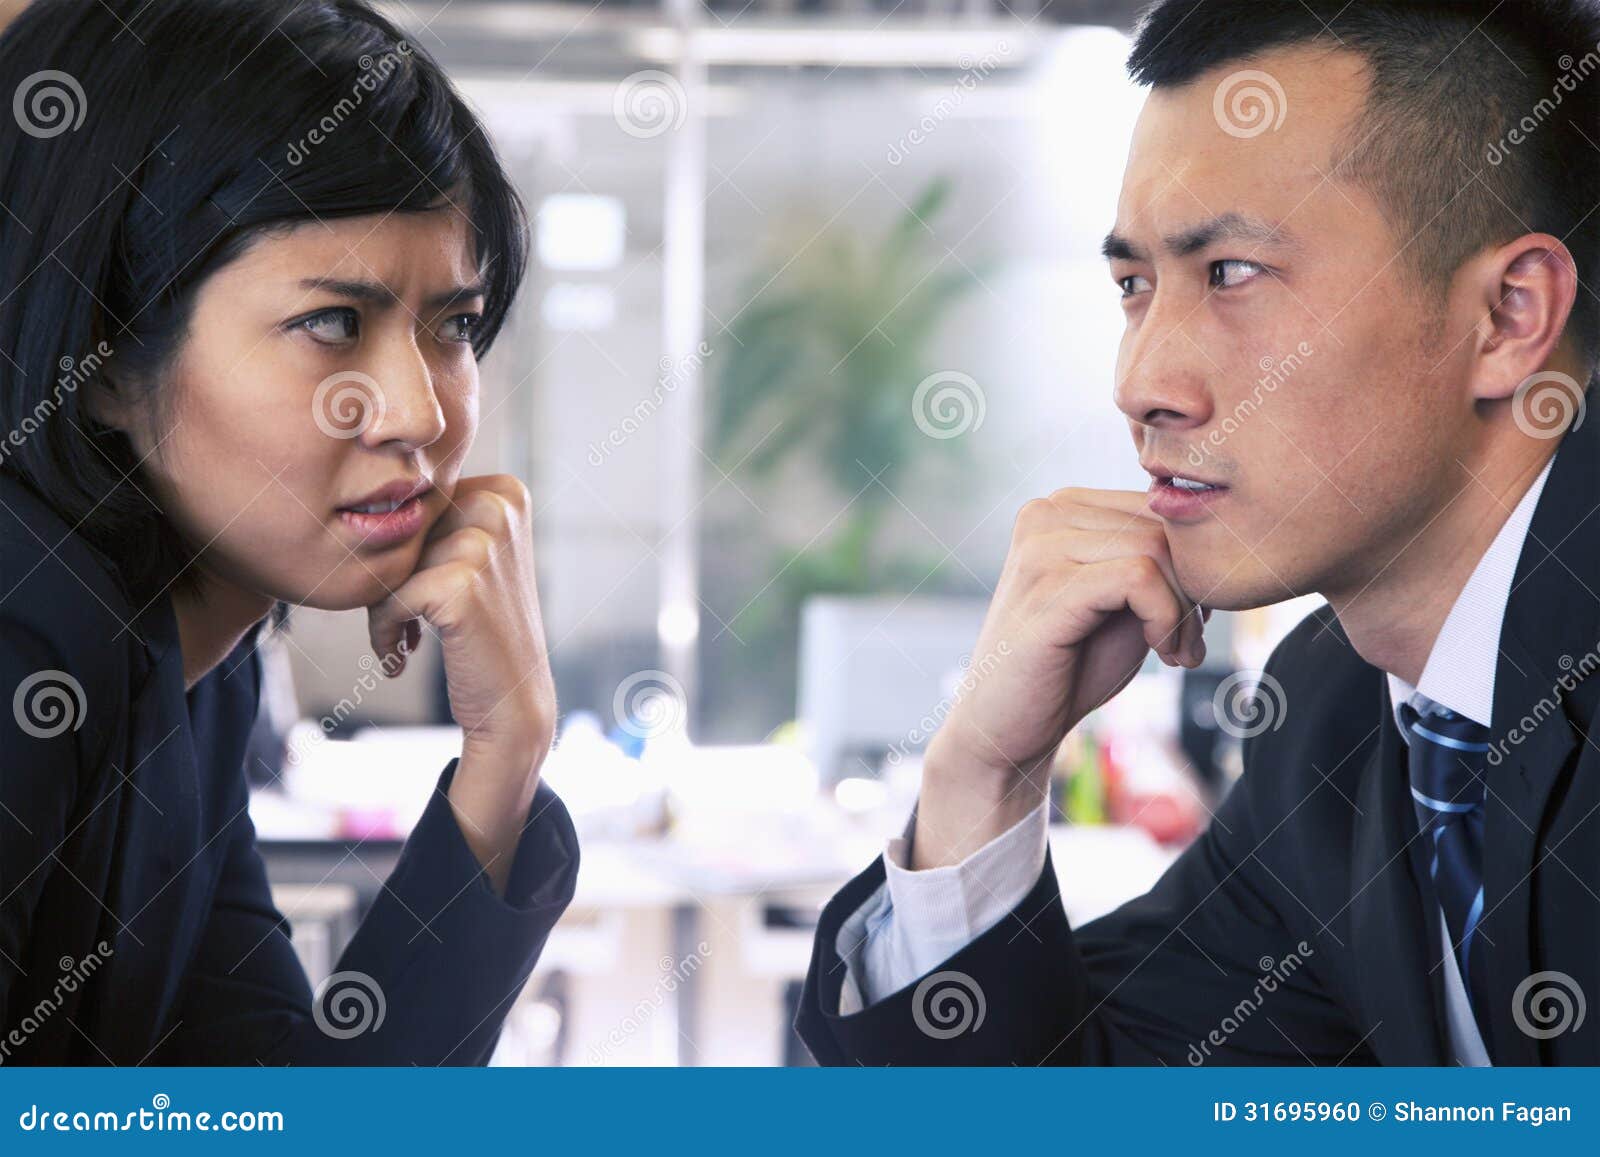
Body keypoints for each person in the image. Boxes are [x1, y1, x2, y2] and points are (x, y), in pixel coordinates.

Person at [797, 0, 1600, 1066]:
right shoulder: (1336, 717)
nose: (1140, 385)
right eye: (1134, 286)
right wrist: (981, 778)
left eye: (1228, 273)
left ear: (1505, 317)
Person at [0, 0, 577, 1064]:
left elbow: (293, 1112)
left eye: (450, 326)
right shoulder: (30, 635)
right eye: (329, 323)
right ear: (107, 361)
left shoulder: (190, 665)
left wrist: (506, 758)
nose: (418, 412)